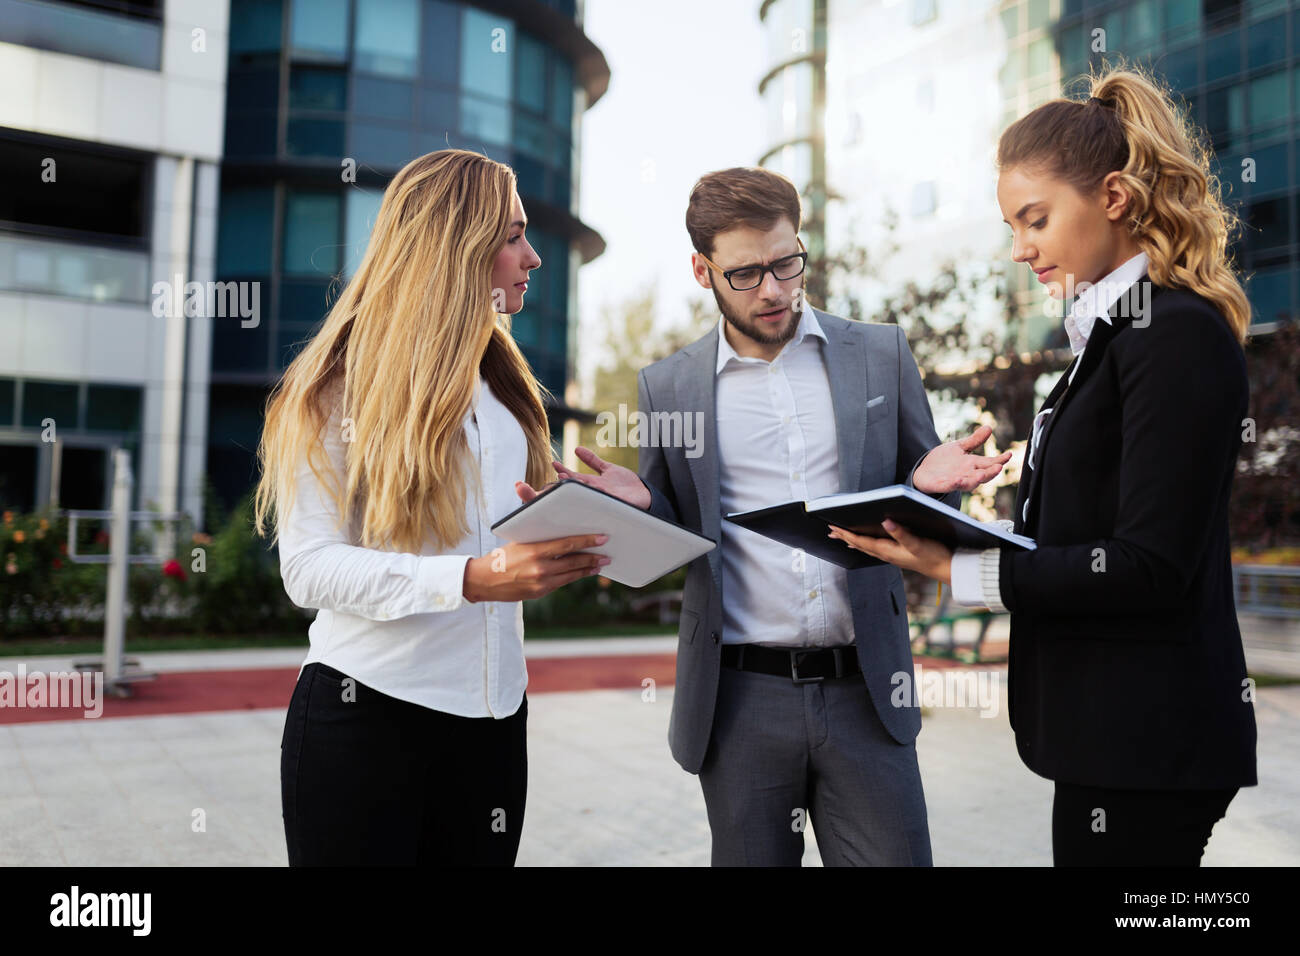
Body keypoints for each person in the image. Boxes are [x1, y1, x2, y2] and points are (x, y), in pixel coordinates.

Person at [826, 66, 1258, 866]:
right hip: (1106, 741)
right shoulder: (1108, 342)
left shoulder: (1177, 335)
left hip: (1150, 745)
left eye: (1036, 220)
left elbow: (1147, 566)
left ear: (1116, 199)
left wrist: (958, 570)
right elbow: (1080, 535)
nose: (1021, 249)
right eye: (1012, 227)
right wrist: (942, 521)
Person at [520, 166, 1008, 865]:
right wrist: (640, 507)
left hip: (867, 691)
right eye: (747, 273)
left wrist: (933, 487)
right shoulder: (670, 387)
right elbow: (676, 535)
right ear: (703, 270)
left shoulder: (879, 355)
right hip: (741, 700)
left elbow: (923, 503)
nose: (774, 289)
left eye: (786, 262)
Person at [253, 149, 609, 866]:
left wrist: (604, 509)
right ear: (455, 245)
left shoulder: (507, 391)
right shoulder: (334, 387)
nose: (532, 257)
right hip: (364, 722)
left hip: (495, 727)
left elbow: (514, 521)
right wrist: (472, 580)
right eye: (512, 236)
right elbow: (310, 569)